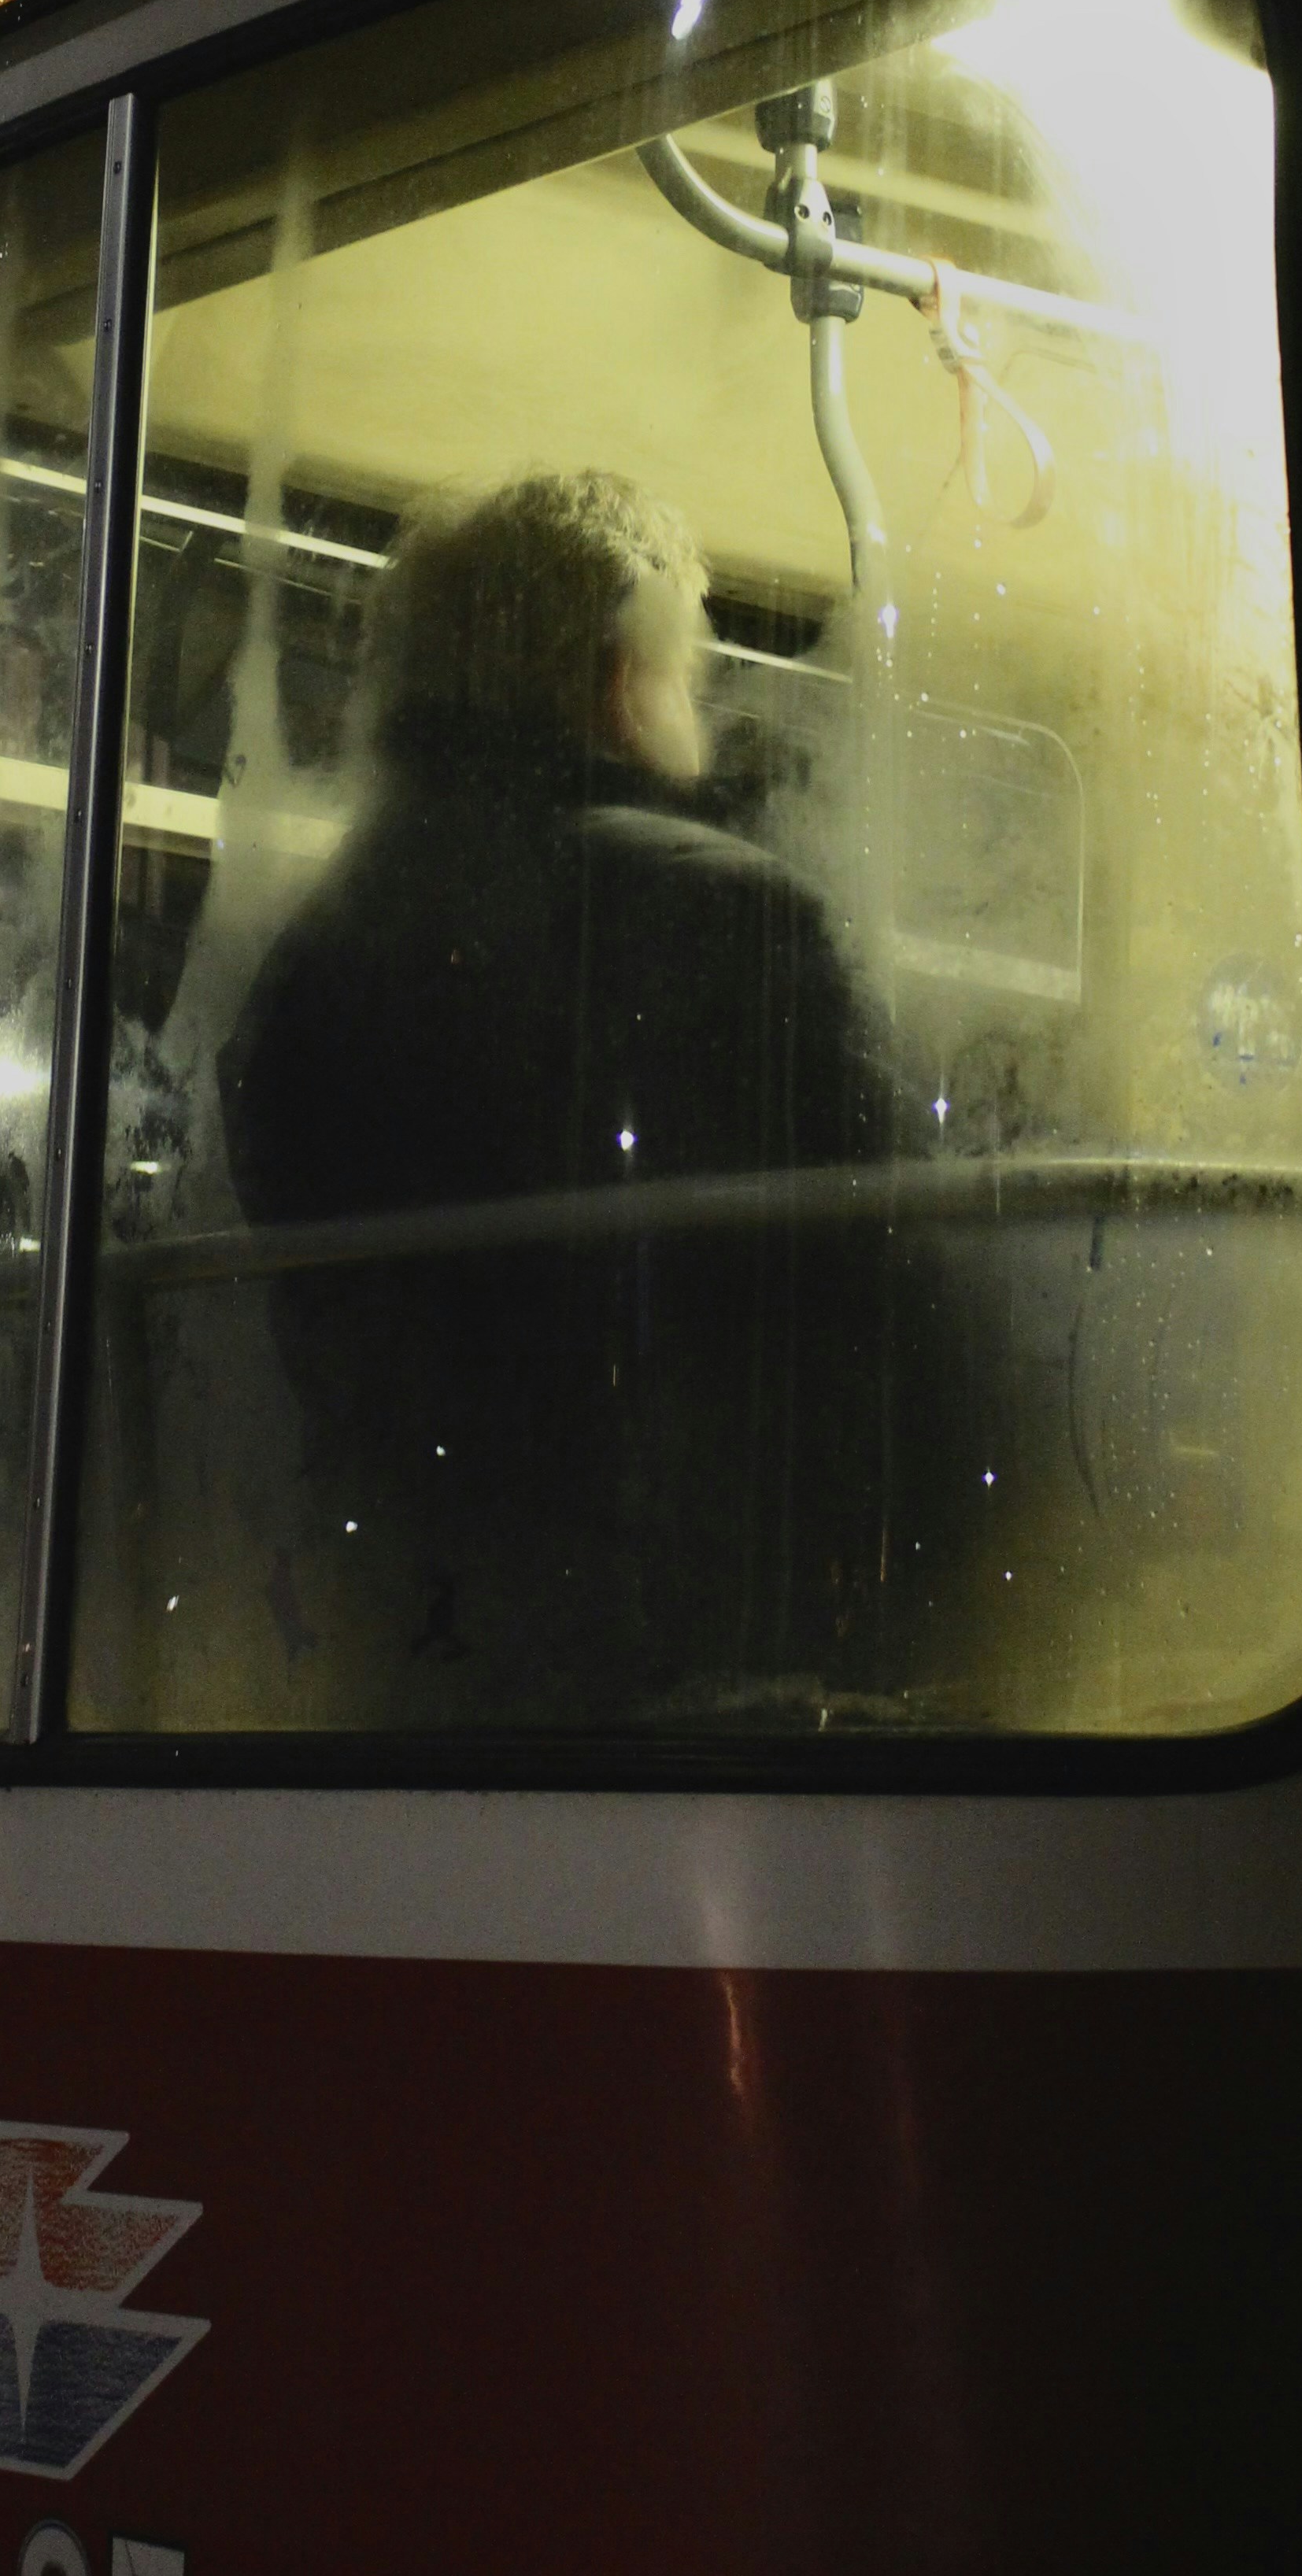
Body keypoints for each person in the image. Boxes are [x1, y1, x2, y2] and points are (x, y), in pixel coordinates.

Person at [218, 468, 912, 1712]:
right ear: (618, 678)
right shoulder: (738, 924)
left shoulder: (312, 962)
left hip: (404, 1652)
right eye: (689, 670)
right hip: (697, 1666)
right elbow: (865, 1330)